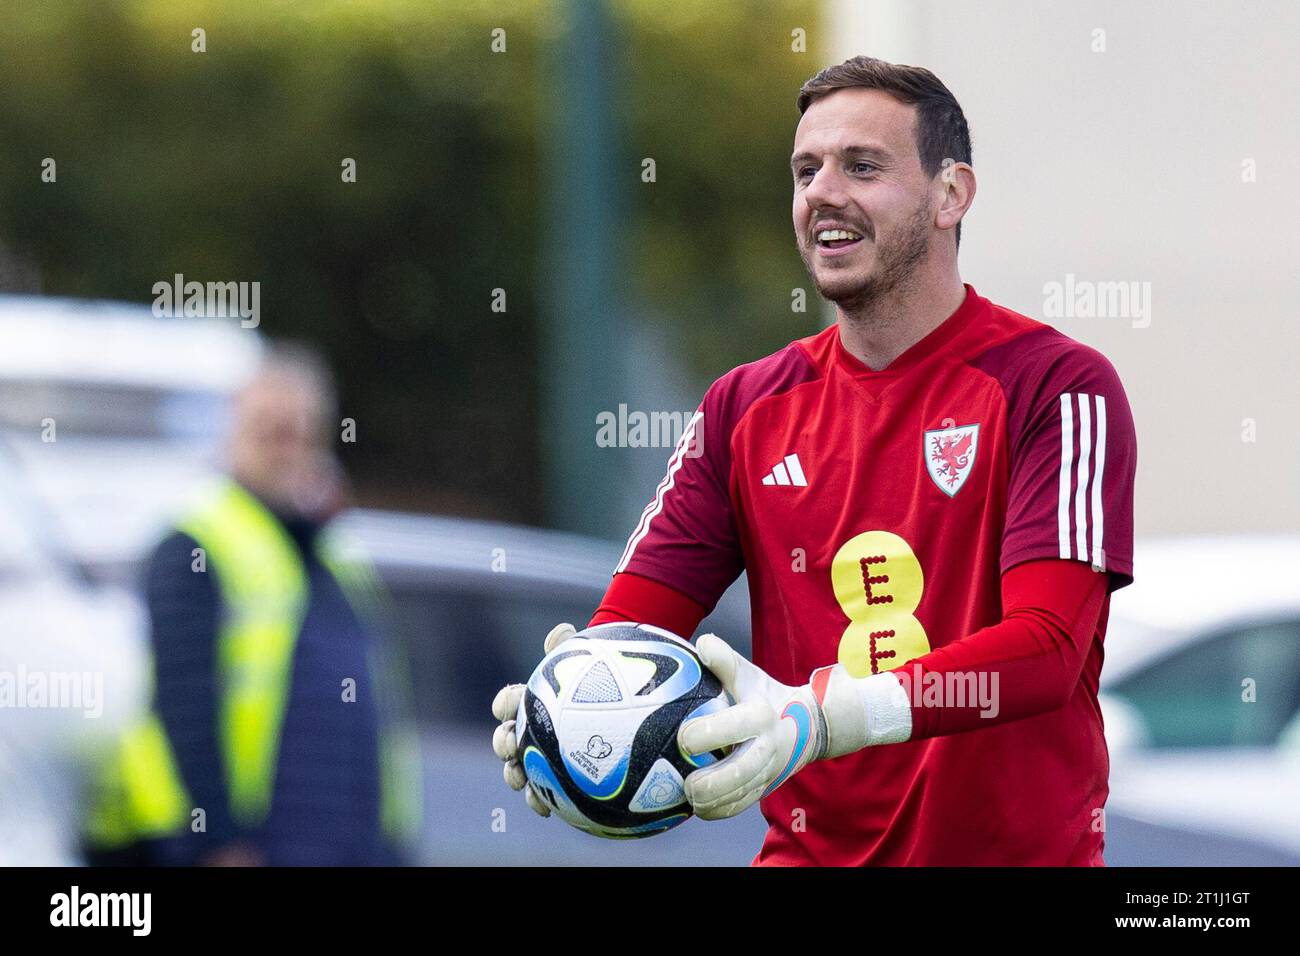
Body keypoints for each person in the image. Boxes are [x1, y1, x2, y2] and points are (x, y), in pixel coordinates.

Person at [493, 55, 1137, 866]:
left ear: (951, 194)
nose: (822, 193)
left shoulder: (1057, 385)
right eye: (806, 170)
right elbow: (633, 626)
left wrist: (822, 718)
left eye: (861, 166)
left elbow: (1045, 651)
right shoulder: (745, 407)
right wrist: (563, 709)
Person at [86, 344, 421, 865]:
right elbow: (185, 706)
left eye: (301, 433)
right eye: (269, 432)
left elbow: (376, 722)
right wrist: (216, 843)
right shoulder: (195, 544)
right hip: (248, 848)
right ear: (232, 435)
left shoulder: (334, 559)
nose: (287, 449)